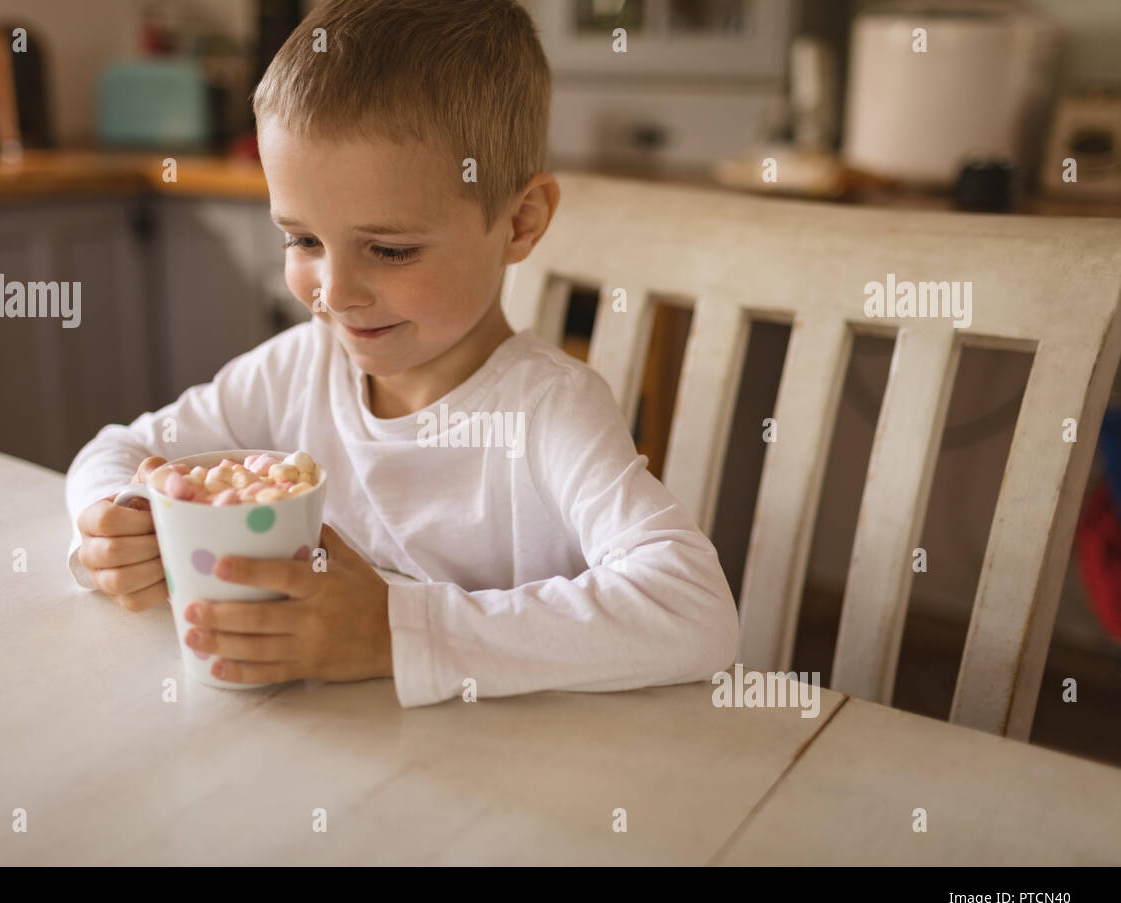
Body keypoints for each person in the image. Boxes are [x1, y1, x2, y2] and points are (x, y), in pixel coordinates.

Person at [65, 0, 739, 707]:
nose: (335, 292)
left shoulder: (547, 410)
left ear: (521, 222)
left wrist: (395, 634)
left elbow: (695, 611)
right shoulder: (299, 367)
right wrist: (117, 526)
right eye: (302, 240)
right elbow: (122, 446)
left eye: (389, 249)